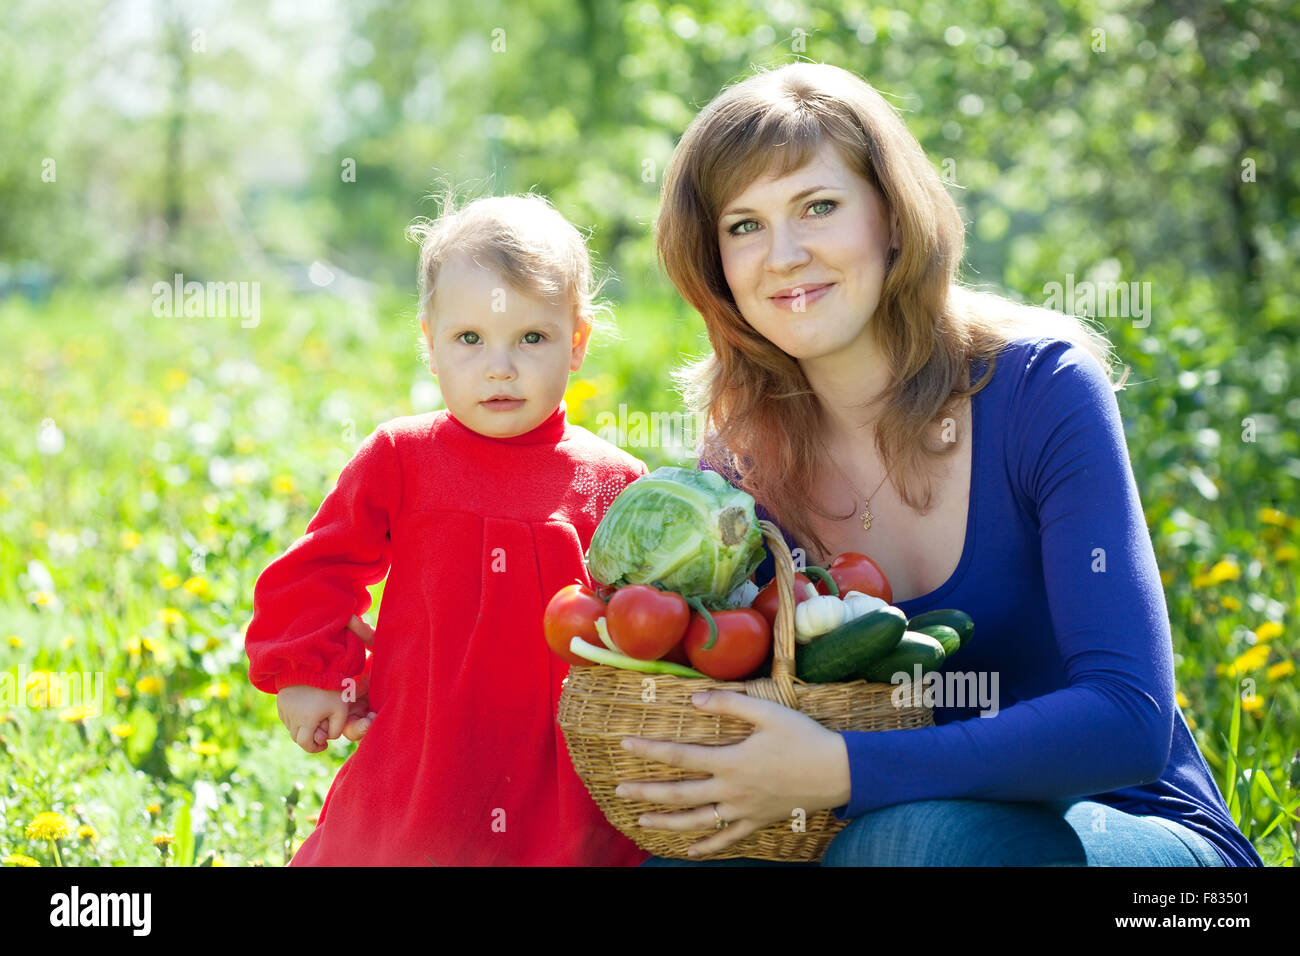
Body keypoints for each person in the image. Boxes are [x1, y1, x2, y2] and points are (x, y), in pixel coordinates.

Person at [620, 62, 1262, 866]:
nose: (783, 254)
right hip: (857, 827)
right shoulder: (743, 460)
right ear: (714, 261)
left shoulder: (1040, 384)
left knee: (912, 843)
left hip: (1129, 829)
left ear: (892, 219)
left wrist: (843, 771)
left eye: (818, 206)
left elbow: (1127, 718)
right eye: (744, 225)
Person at [244, 192, 652, 866]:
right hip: (422, 756)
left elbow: (654, 622)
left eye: (532, 338)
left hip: (554, 775)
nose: (500, 366)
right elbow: (319, 567)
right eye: (470, 339)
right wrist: (310, 671)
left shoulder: (613, 481)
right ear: (430, 343)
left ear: (576, 342)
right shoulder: (402, 457)